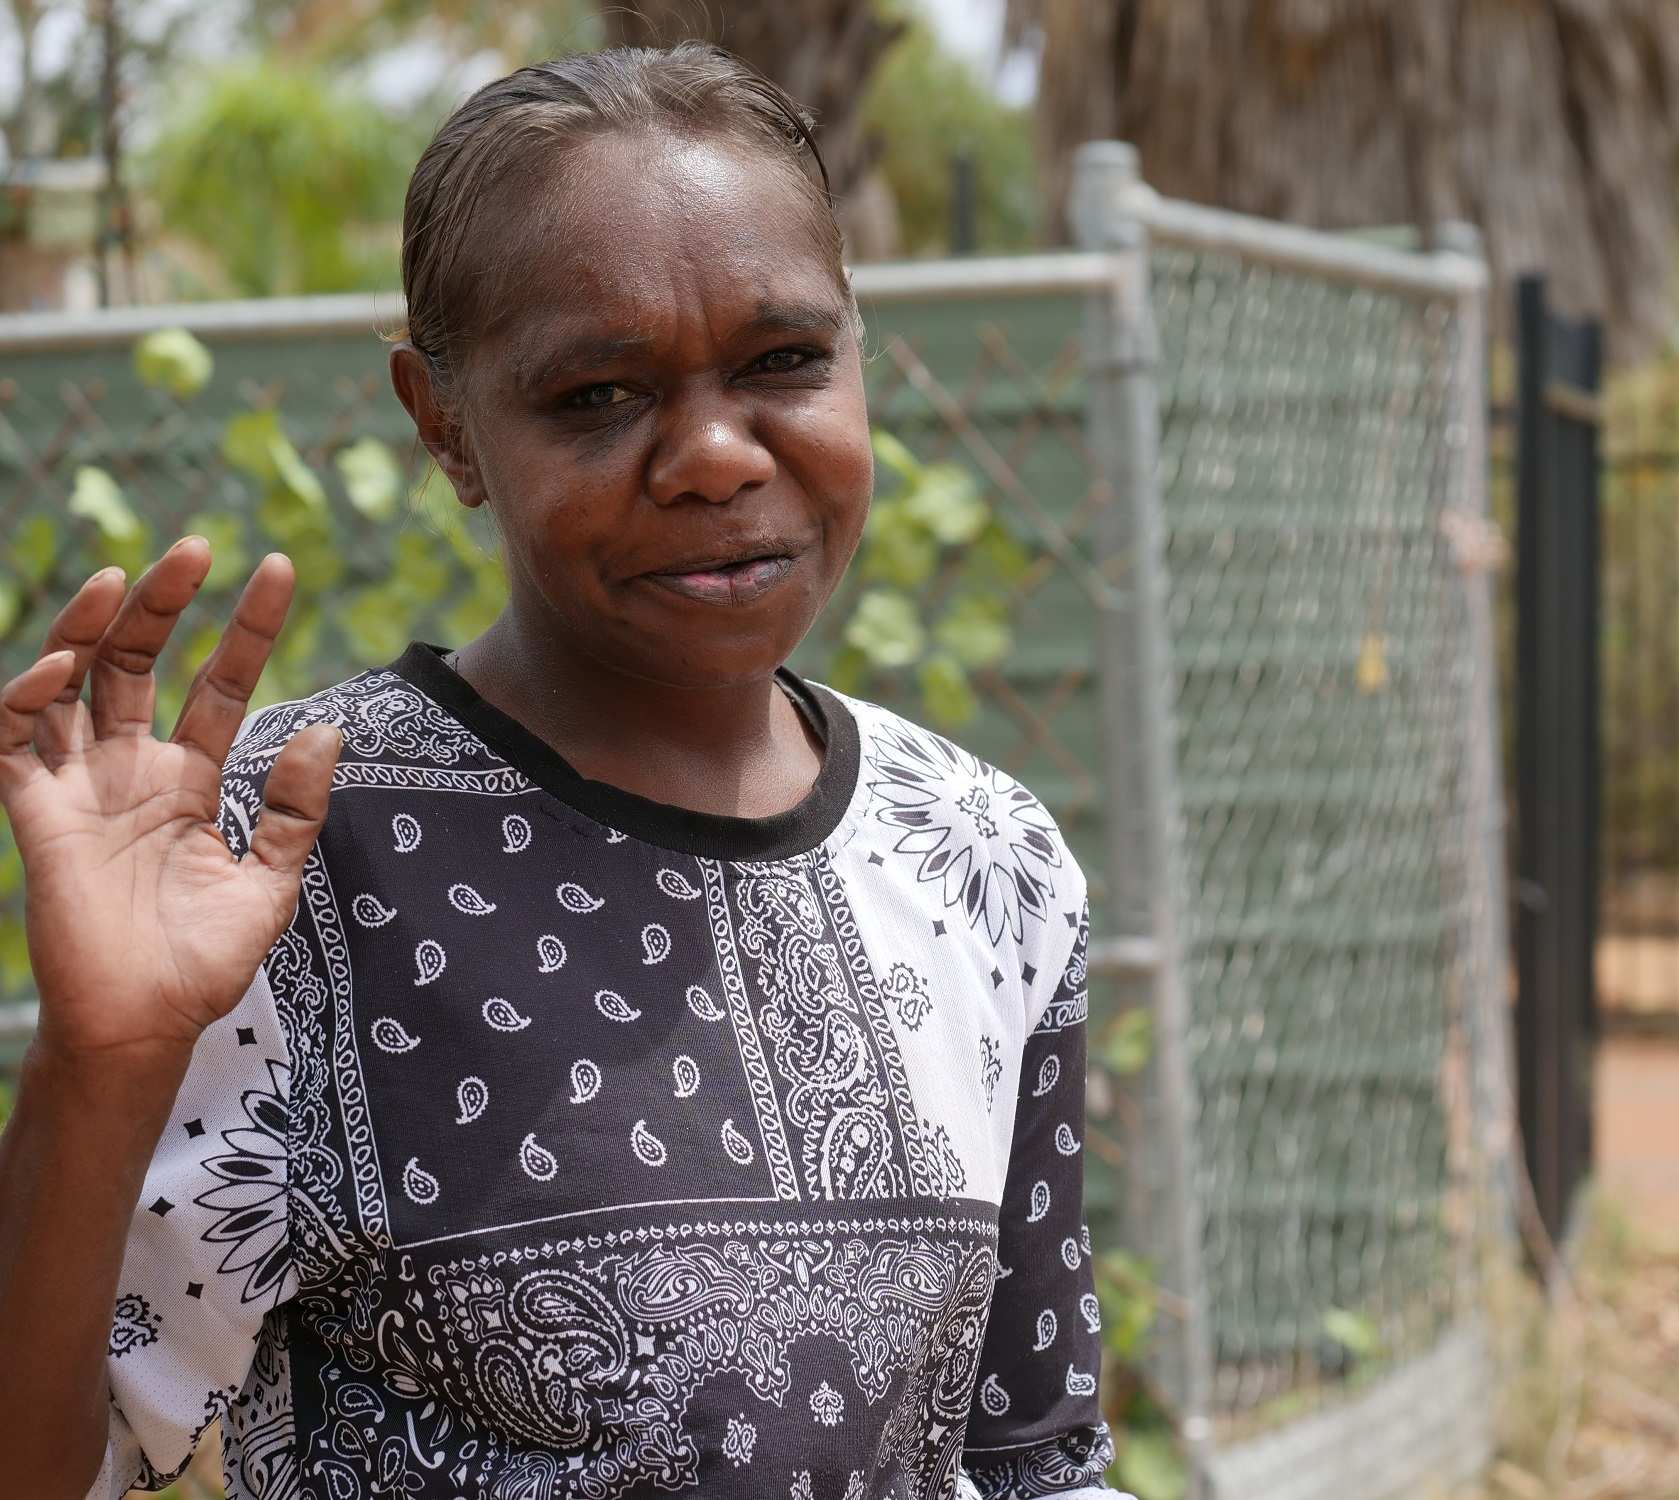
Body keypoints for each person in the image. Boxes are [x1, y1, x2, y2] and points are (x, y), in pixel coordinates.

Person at [0, 44, 1125, 1500]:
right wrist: (98, 1066)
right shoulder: (280, 857)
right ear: (445, 427)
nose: (716, 455)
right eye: (598, 394)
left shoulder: (981, 850)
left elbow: (1038, 1458)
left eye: (786, 359)